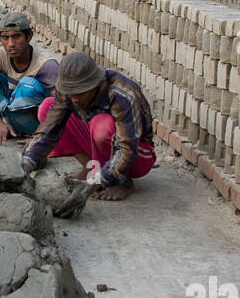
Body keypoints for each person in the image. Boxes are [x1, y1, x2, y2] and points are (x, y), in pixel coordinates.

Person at [20, 51, 156, 202]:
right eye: (71, 93)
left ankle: (121, 181)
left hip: (138, 153)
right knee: (47, 107)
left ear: (96, 85)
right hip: (103, 142)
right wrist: (24, 165)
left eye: (80, 93)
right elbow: (49, 129)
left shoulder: (122, 94)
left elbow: (127, 148)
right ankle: (93, 167)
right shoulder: (68, 89)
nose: (75, 99)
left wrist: (92, 186)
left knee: (101, 126)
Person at [0, 11, 59, 143]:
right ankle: (11, 126)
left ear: (29, 36)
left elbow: (62, 105)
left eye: (16, 36)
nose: (11, 44)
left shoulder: (46, 64)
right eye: (5, 38)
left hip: (44, 121)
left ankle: (33, 131)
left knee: (27, 86)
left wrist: (42, 136)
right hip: (14, 105)